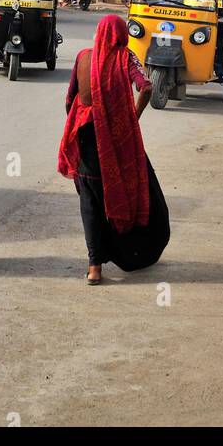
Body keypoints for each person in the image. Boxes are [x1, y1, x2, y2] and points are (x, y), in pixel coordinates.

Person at [58, 14, 169, 284]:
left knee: (90, 201)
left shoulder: (84, 57)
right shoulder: (126, 57)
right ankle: (131, 250)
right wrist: (130, 117)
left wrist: (79, 124)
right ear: (121, 34)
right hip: (117, 140)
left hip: (85, 135)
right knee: (124, 190)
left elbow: (70, 99)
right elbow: (146, 87)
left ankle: (94, 267)